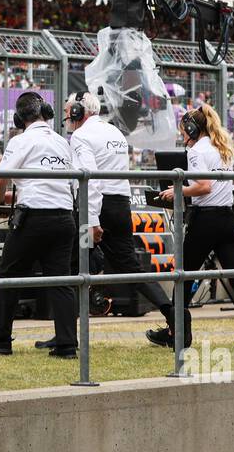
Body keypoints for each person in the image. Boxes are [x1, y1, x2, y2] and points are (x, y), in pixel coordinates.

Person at [52, 90, 172, 348]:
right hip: (120, 206)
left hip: (96, 209)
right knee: (131, 267)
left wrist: (91, 220)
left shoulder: (81, 136)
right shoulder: (114, 132)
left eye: (67, 112)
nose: (66, 117)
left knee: (69, 266)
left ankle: (66, 338)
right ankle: (173, 315)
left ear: (77, 111)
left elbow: (89, 180)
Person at [149, 103, 234, 349]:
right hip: (227, 218)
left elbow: (203, 186)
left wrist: (176, 190)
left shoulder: (196, 152)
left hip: (206, 220)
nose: (182, 136)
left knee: (183, 275)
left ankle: (177, 333)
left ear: (192, 128)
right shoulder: (221, 147)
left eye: (183, 131)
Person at [0, 92, 77, 358]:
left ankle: (1, 340)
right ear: (46, 113)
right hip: (64, 217)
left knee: (9, 277)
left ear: (18, 119)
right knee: (61, 281)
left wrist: (1, 202)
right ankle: (67, 345)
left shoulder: (21, 140)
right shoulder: (62, 142)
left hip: (34, 218)